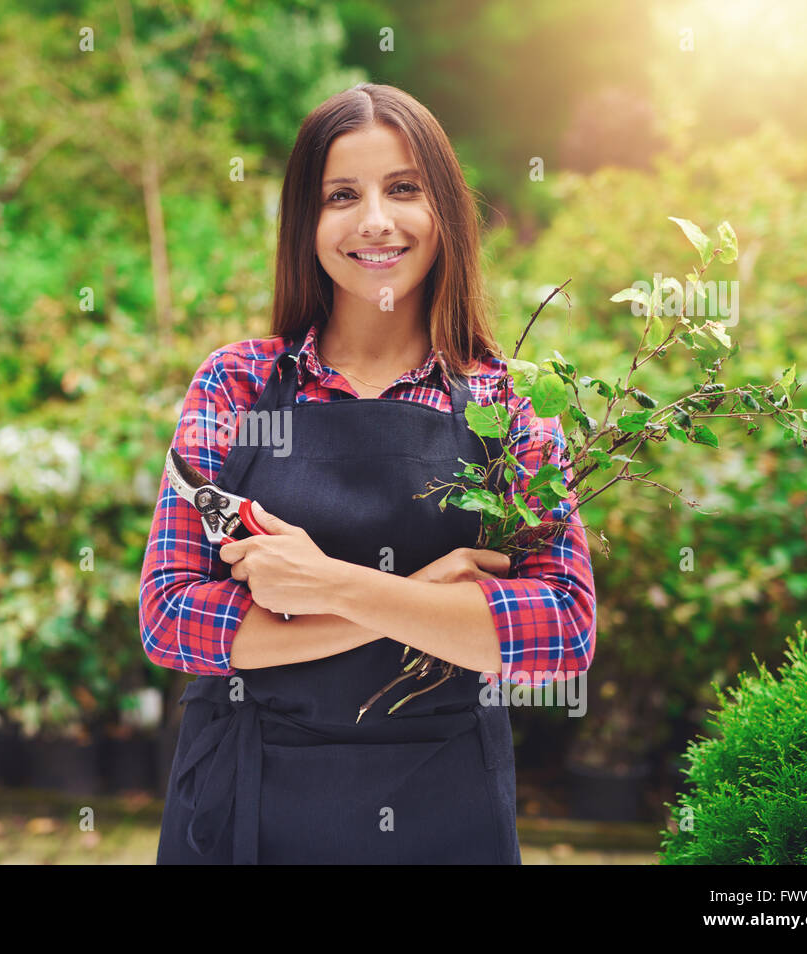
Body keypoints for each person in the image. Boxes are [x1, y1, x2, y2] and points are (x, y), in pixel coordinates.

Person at [139, 83, 597, 864]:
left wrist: (326, 585)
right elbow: (171, 615)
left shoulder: (507, 399)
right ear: (305, 222)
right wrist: (428, 599)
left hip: (444, 806)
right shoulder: (236, 384)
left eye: (404, 189)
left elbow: (561, 628)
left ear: (444, 210)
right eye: (341, 194)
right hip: (244, 804)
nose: (376, 221)